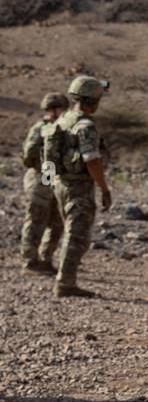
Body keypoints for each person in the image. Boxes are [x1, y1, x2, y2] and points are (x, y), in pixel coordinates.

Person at [43, 76, 112, 298]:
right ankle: (65, 283)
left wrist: (51, 184)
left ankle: (65, 279)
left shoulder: (62, 121)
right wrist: (104, 188)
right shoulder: (85, 126)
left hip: (61, 185)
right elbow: (92, 160)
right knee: (77, 236)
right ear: (92, 100)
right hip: (79, 188)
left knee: (71, 233)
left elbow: (48, 158)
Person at [20, 92, 69, 274]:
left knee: (57, 221)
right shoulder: (40, 128)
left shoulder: (66, 129)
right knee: (36, 218)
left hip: (56, 178)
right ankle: (30, 262)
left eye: (59, 109)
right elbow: (28, 155)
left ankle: (46, 259)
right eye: (52, 109)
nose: (55, 113)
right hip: (42, 175)